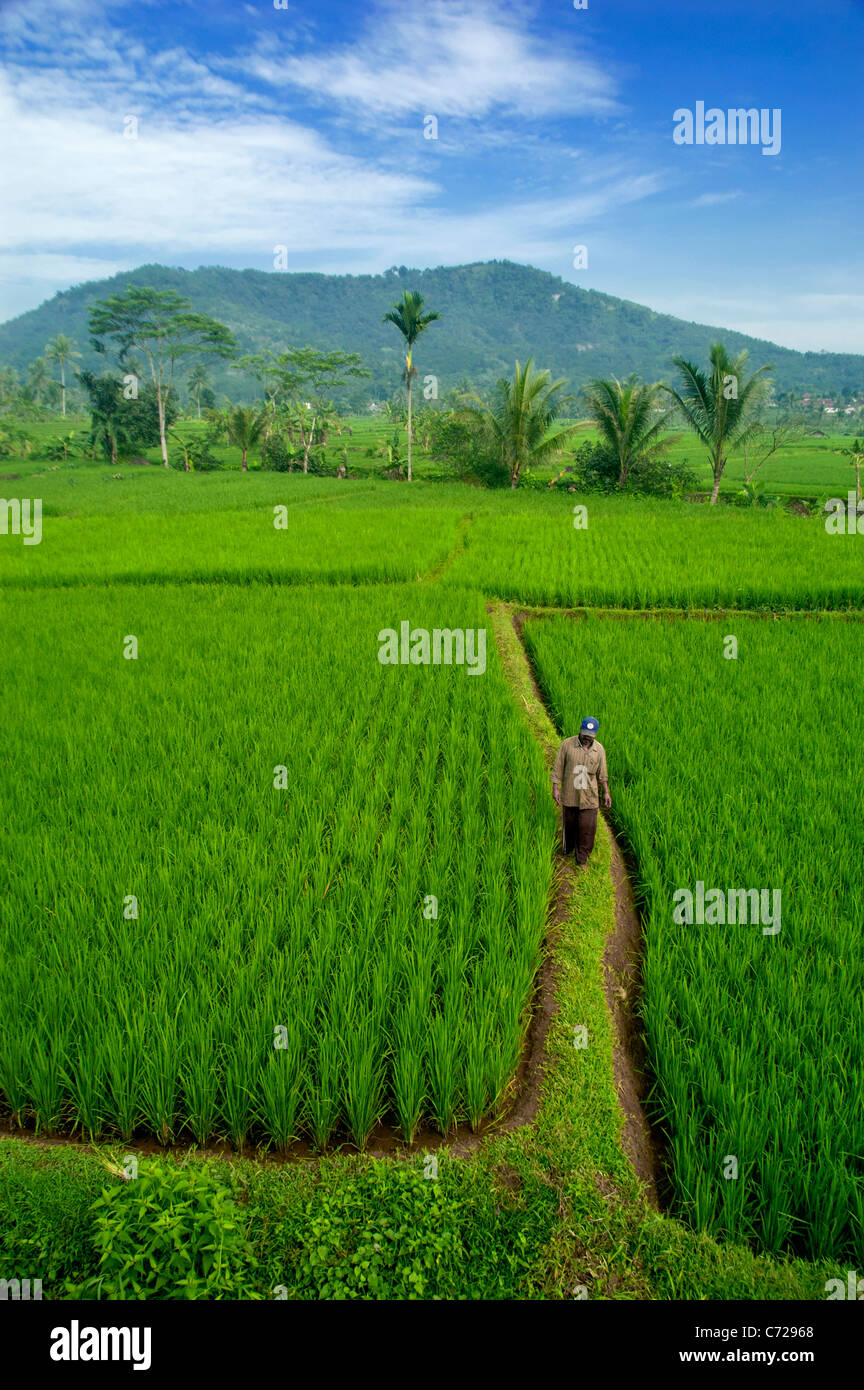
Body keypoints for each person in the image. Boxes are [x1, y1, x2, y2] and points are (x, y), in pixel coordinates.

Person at [551, 716, 611, 867]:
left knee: (587, 828)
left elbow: (602, 774)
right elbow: (558, 767)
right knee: (569, 826)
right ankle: (568, 849)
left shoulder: (599, 750)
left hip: (590, 796)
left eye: (590, 737)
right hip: (570, 794)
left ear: (595, 735)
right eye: (584, 735)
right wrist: (555, 788)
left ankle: (582, 858)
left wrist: (606, 792)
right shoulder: (567, 745)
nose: (586, 739)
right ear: (579, 730)